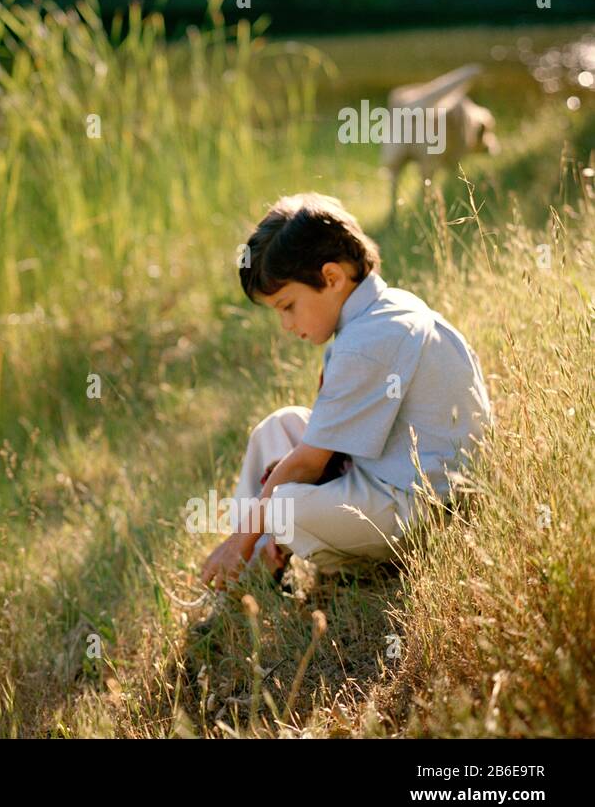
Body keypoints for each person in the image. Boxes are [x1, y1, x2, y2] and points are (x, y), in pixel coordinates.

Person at [201, 193, 492, 590]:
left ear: (332, 278)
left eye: (288, 306)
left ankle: (248, 564)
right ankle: (257, 570)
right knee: (279, 428)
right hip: (384, 474)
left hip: (424, 507)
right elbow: (330, 445)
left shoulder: (369, 340)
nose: (286, 325)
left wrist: (241, 537)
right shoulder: (376, 315)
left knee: (283, 506)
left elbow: (308, 464)